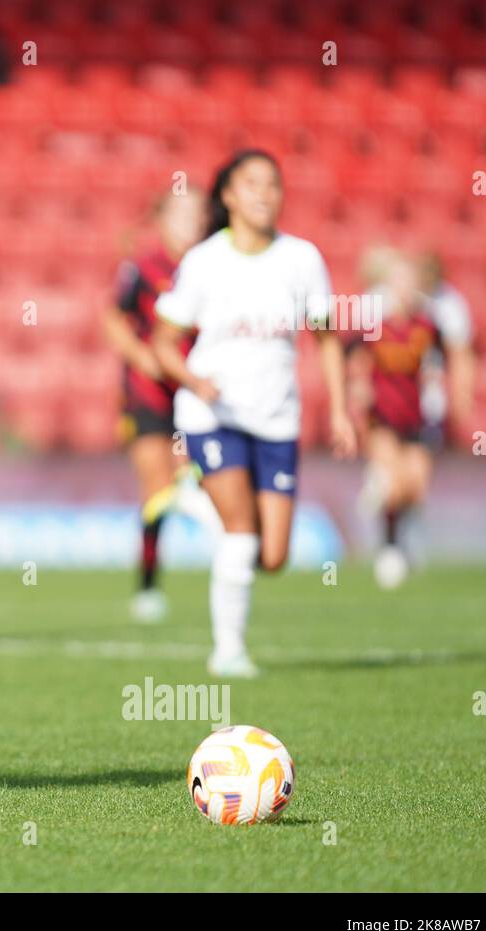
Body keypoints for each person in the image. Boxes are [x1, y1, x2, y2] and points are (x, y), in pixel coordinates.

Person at [151, 149, 356, 678]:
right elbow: (164, 341)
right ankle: (228, 651)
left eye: (273, 184)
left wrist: (339, 411)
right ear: (228, 196)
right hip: (211, 413)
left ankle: (194, 497)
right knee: (241, 532)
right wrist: (195, 380)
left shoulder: (302, 259)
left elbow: (327, 338)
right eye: (251, 183)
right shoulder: (204, 261)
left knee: (273, 556)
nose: (264, 193)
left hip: (275, 418)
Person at [103, 188, 219, 623]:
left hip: (193, 390)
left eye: (196, 216)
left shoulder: (211, 267)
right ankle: (148, 586)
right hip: (148, 394)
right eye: (182, 215)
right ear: (164, 220)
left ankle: (222, 572)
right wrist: (142, 356)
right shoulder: (143, 267)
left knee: (194, 480)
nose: (190, 224)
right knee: (157, 489)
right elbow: (113, 318)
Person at [351, 248, 474, 589]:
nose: (404, 290)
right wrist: (360, 389)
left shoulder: (428, 325)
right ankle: (389, 547)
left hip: (416, 415)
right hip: (383, 415)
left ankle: (381, 494)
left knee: (415, 488)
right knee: (392, 484)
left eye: (410, 283)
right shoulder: (376, 324)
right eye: (398, 283)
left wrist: (456, 392)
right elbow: (356, 355)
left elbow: (450, 357)